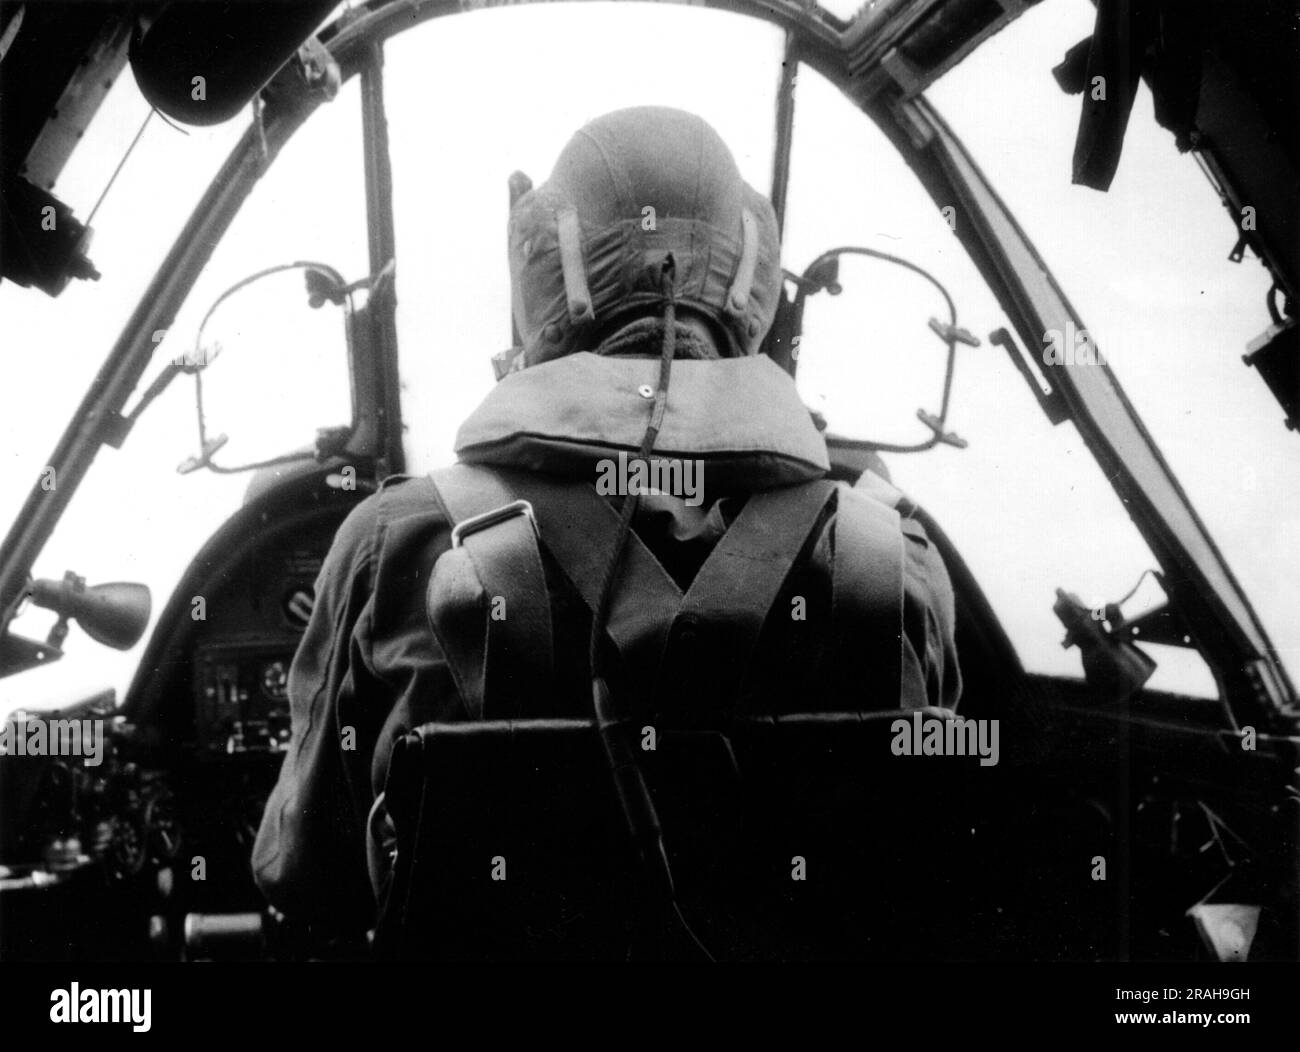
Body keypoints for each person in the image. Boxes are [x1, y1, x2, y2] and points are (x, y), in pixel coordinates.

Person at [252, 106, 961, 943]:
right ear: (750, 282)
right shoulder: (891, 561)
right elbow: (924, 852)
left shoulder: (396, 541)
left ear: (546, 277)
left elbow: (307, 882)